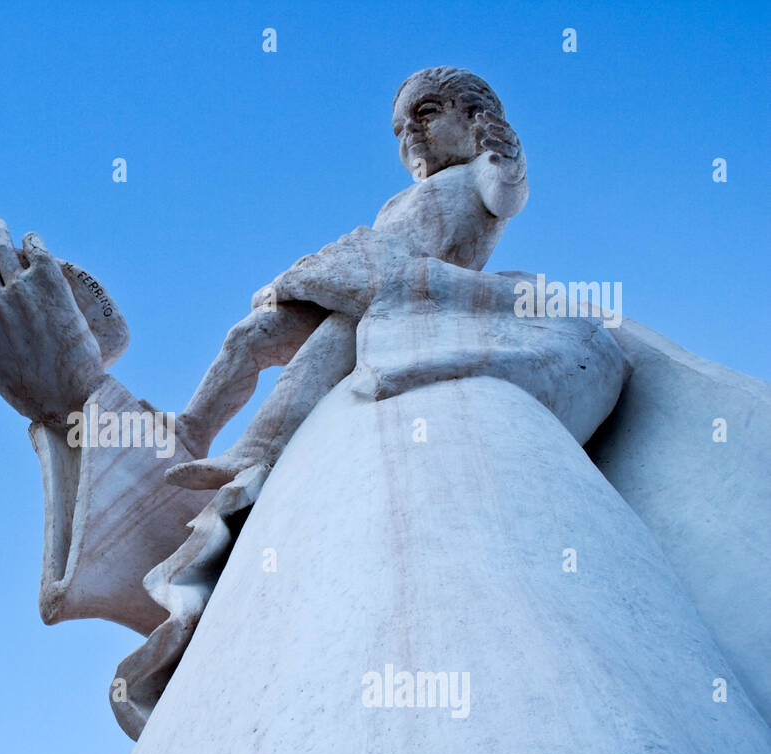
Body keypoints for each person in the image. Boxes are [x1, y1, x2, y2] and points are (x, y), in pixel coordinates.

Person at [165, 66, 529, 489]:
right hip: (360, 278)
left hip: (405, 295)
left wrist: (507, 154)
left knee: (323, 350)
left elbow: (507, 196)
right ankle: (192, 429)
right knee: (250, 334)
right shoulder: (399, 199)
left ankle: (256, 451)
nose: (410, 131)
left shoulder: (483, 167)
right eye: (399, 129)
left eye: (426, 112)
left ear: (472, 115)